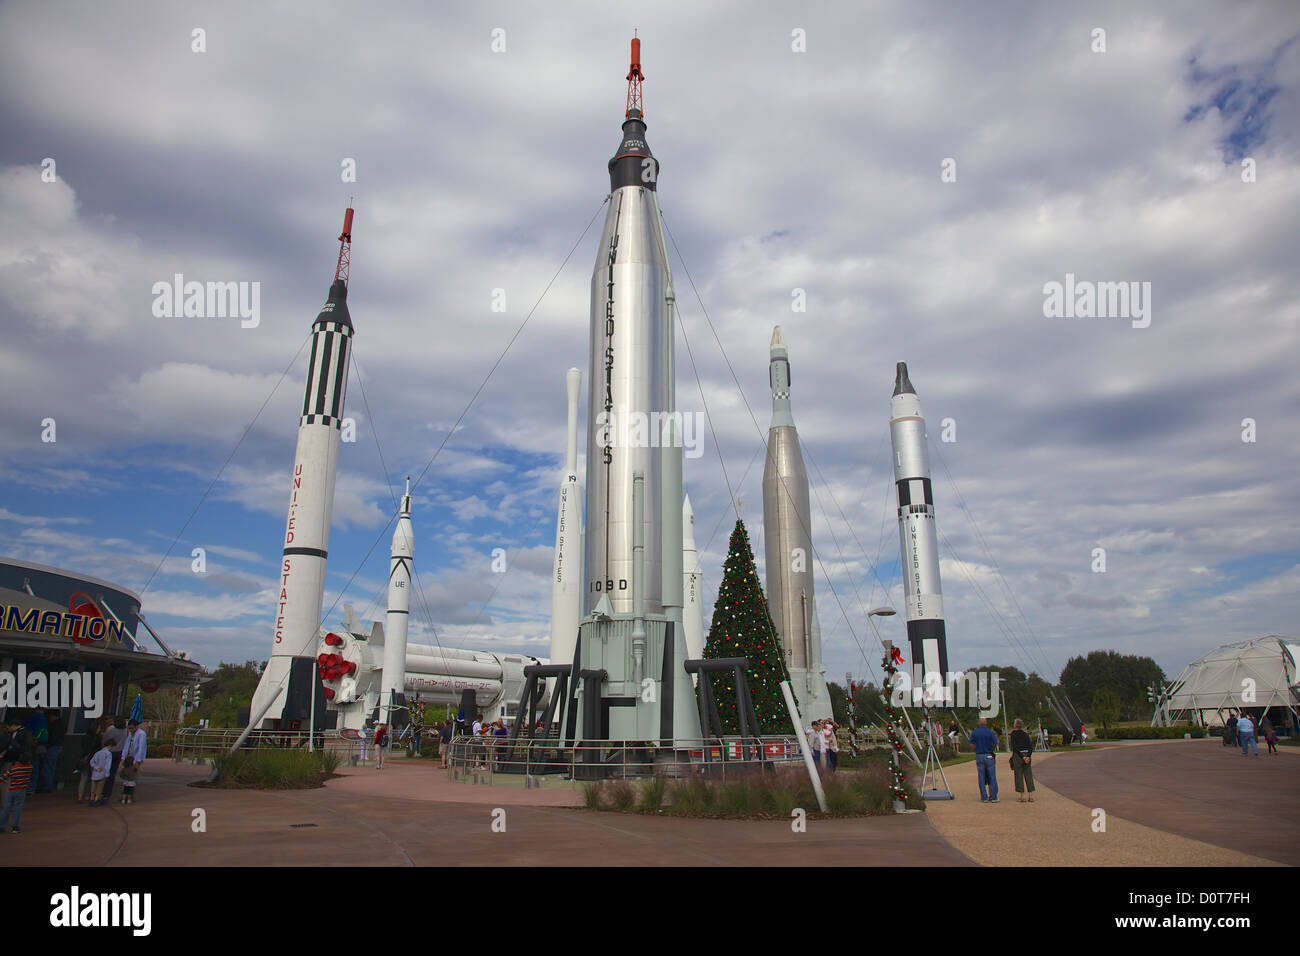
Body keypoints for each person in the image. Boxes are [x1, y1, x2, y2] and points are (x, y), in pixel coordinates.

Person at [0, 748, 34, 833]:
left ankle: (1, 826)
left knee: (6, 808)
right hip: (21, 790)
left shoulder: (14, 768)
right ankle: (15, 827)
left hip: (11, 790)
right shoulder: (29, 768)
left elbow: (4, 777)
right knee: (17, 809)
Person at [75, 718, 106, 803]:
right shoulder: (98, 738)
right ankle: (92, 796)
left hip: (85, 759)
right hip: (95, 760)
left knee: (83, 778)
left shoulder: (85, 737)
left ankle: (80, 796)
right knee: (94, 778)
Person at [969, 717, 999, 803]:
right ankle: (993, 797)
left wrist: (976, 749)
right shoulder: (990, 732)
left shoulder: (975, 732)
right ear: (986, 723)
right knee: (992, 776)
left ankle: (984, 797)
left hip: (979, 755)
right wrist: (990, 747)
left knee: (981, 777)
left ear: (978, 723)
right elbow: (995, 743)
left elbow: (971, 744)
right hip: (989, 754)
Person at [99, 717, 128, 805]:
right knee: (111, 775)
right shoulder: (125, 730)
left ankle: (99, 793)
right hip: (119, 753)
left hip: (110, 752)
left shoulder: (111, 729)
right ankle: (107, 794)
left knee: (103, 772)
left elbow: (105, 740)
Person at [1009, 718, 1036, 802]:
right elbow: (1030, 747)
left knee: (1019, 775)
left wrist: (1022, 756)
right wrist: (1028, 756)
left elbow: (1014, 747)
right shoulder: (1025, 734)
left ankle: (1022, 795)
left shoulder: (1013, 734)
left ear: (1015, 725)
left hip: (1018, 755)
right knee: (1028, 774)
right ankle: (1031, 795)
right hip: (1027, 753)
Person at [39, 708, 65, 793]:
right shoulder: (62, 724)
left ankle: (46, 786)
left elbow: (52, 737)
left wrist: (47, 745)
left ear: (53, 716)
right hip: (58, 746)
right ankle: (47, 785)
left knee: (48, 767)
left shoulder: (54, 725)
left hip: (53, 747)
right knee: (51, 767)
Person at [124, 719, 147, 800]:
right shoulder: (130, 734)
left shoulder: (141, 734)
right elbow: (126, 745)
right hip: (128, 758)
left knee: (133, 777)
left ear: (136, 727)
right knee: (126, 775)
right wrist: (123, 757)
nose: (131, 730)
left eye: (132, 728)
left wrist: (137, 760)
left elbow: (141, 747)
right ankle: (125, 794)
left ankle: (130, 795)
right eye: (129, 728)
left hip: (136, 758)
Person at [88, 738, 112, 806]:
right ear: (110, 746)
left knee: (93, 787)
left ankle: (91, 799)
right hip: (103, 773)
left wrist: (96, 767)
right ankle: (96, 799)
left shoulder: (98, 753)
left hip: (95, 773)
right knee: (99, 787)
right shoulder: (108, 754)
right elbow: (108, 765)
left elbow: (92, 762)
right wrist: (107, 773)